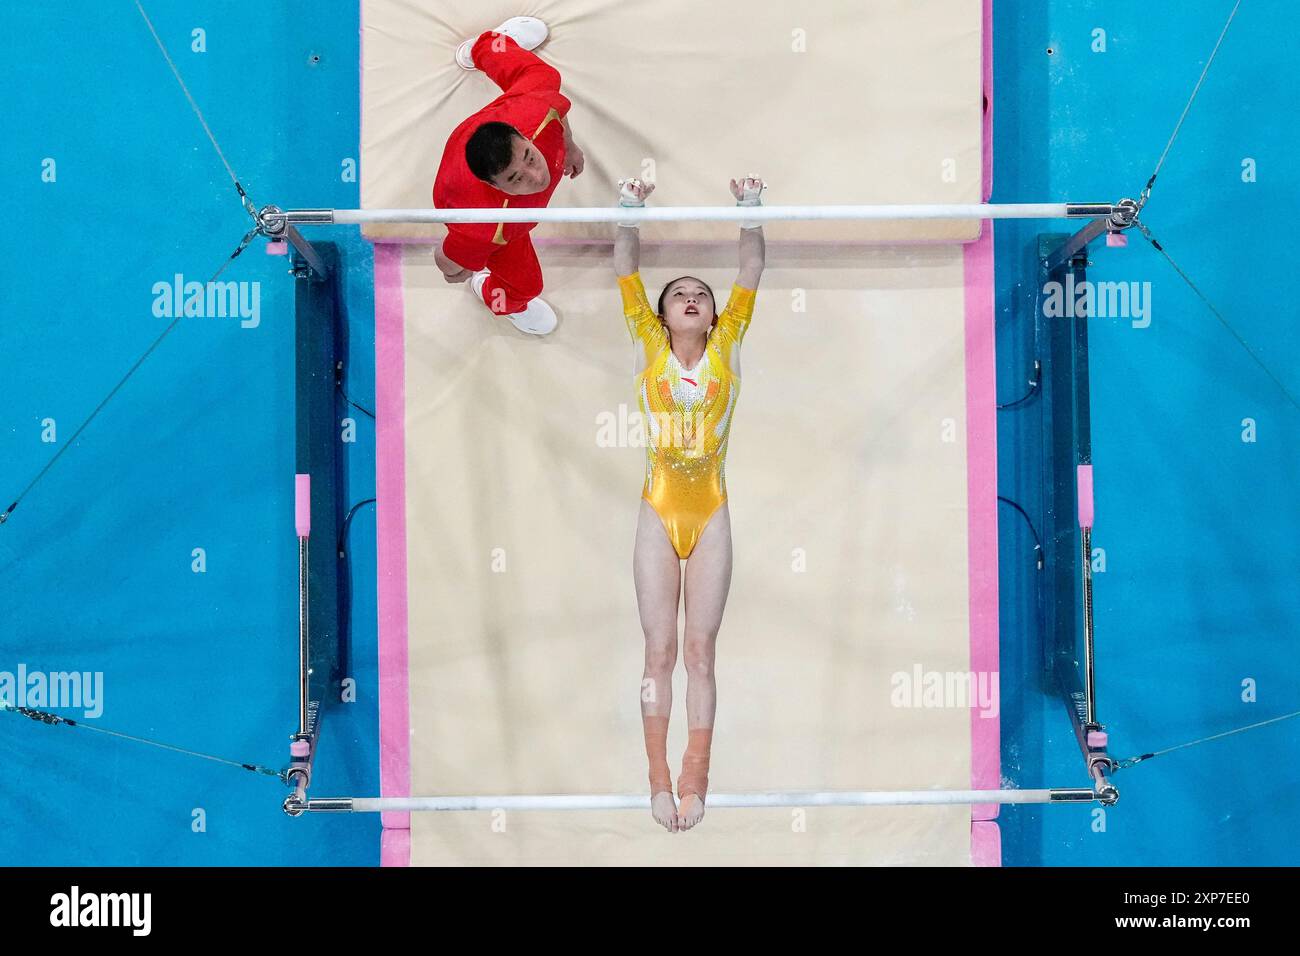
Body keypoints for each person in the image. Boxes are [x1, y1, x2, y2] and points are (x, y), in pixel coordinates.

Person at [613, 175, 767, 831]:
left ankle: (696, 780)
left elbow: (752, 264)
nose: (694, 298)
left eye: (701, 294)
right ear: (663, 315)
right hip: (657, 510)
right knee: (658, 653)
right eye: (679, 295)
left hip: (710, 513)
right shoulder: (647, 343)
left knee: (700, 651)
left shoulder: (729, 339)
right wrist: (628, 210)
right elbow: (625, 266)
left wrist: (750, 210)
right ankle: (655, 781)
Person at [432, 17, 585, 335]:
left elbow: (557, 112)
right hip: (468, 192)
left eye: (530, 157)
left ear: (524, 136)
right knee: (525, 288)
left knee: (542, 74)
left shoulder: (535, 110)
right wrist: (459, 272)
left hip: (499, 119)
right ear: (494, 185)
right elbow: (447, 262)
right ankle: (491, 296)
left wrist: (568, 146)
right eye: (517, 179)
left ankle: (485, 46)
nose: (538, 175)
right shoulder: (483, 224)